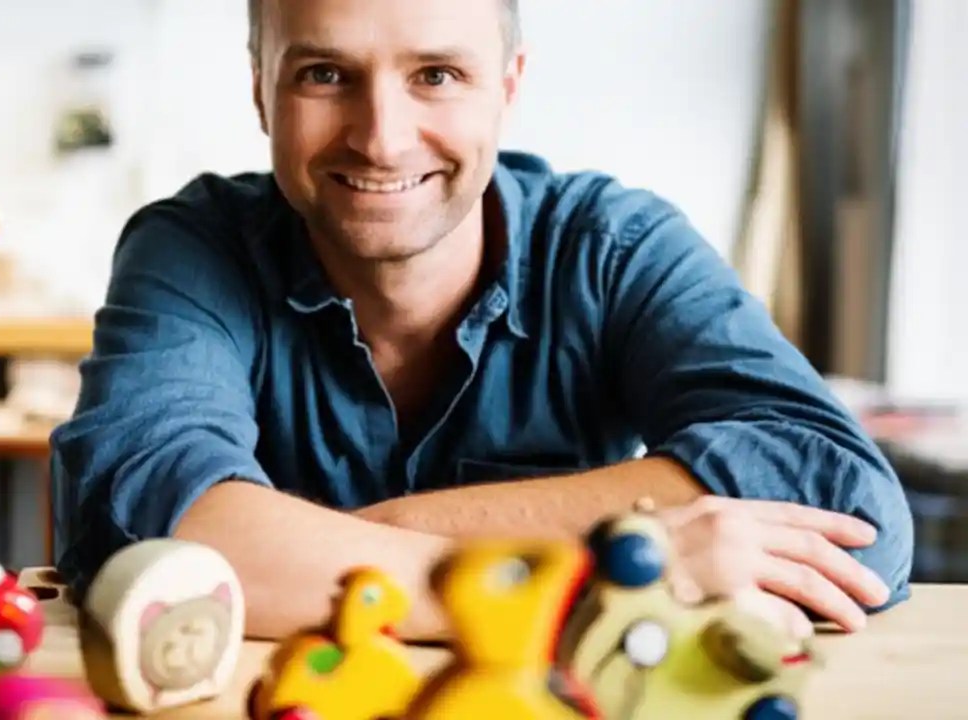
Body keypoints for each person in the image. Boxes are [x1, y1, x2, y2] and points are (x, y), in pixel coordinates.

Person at [50, 0, 913, 642]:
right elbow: (141, 529)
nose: (382, 139)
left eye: (436, 75)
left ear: (507, 87)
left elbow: (845, 503)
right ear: (261, 93)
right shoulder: (192, 247)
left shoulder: (614, 248)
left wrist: (346, 543)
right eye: (325, 75)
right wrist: (600, 569)